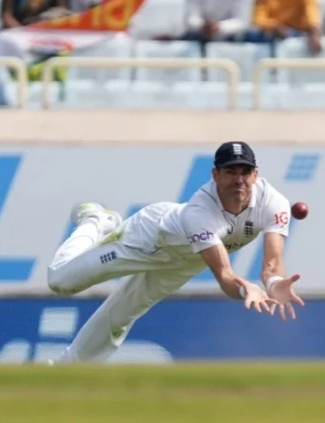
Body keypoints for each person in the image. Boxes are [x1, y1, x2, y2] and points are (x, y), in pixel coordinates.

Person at [45, 141, 305, 364]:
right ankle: (97, 220)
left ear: (256, 174)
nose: (239, 179)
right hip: (147, 239)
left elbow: (272, 264)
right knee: (60, 281)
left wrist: (274, 283)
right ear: (215, 174)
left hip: (186, 263)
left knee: (124, 313)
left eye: (245, 172)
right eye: (230, 171)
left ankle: (66, 369)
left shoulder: (273, 203)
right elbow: (225, 275)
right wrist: (243, 289)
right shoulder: (200, 212)